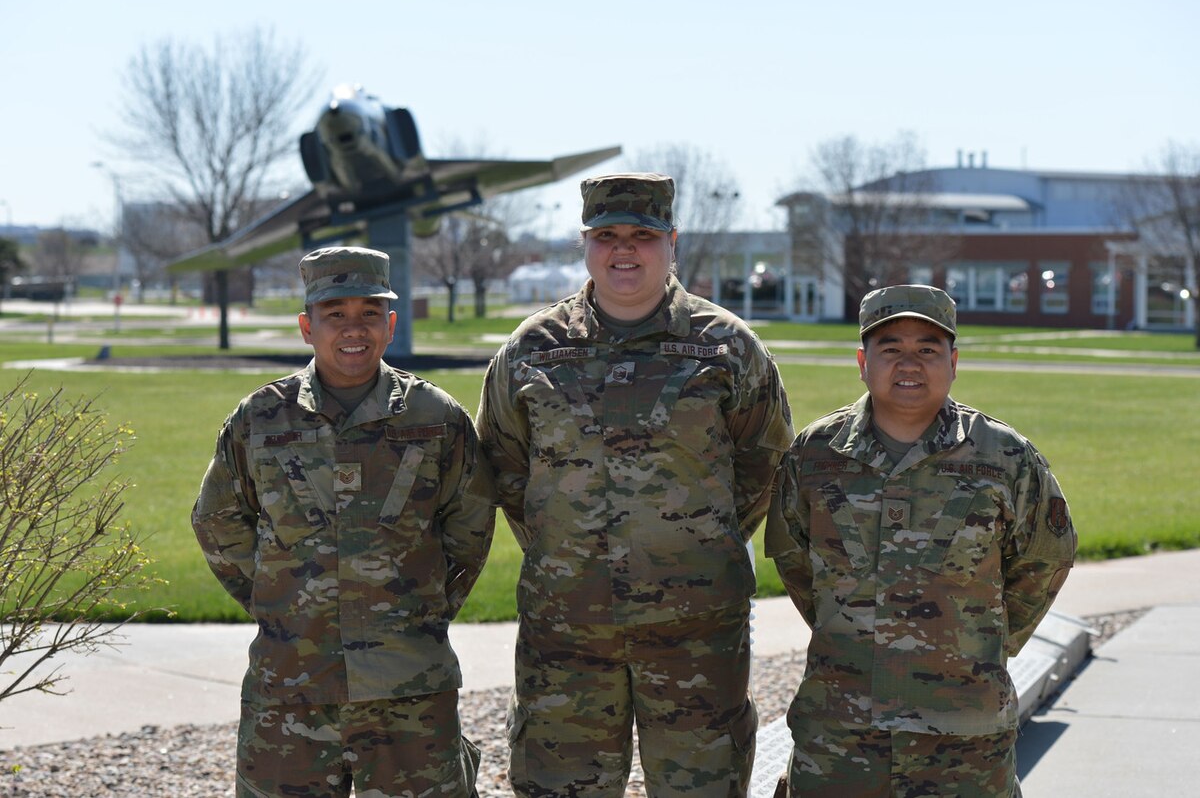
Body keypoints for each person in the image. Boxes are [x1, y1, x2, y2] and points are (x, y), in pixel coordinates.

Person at [476, 172, 794, 797]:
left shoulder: (725, 348)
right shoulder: (532, 351)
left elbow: (766, 467)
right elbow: (505, 471)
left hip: (695, 630)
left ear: (671, 241)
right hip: (567, 628)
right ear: (585, 243)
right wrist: (570, 551)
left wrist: (693, 547)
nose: (625, 249)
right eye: (607, 235)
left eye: (642, 235)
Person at [191, 246, 494, 797]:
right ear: (307, 326)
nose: (353, 329)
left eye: (369, 313)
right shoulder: (260, 419)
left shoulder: (435, 417)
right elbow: (217, 521)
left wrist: (421, 607)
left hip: (409, 685)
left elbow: (469, 525)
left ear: (390, 324)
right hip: (291, 683)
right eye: (335, 315)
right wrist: (277, 601)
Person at [764, 284, 1078, 797]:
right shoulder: (815, 456)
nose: (909, 363)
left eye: (927, 349)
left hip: (964, 733)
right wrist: (854, 634)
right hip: (841, 731)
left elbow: (1046, 560)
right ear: (863, 362)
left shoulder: (1004, 457)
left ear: (953, 362)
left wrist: (977, 646)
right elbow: (796, 562)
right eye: (891, 349)